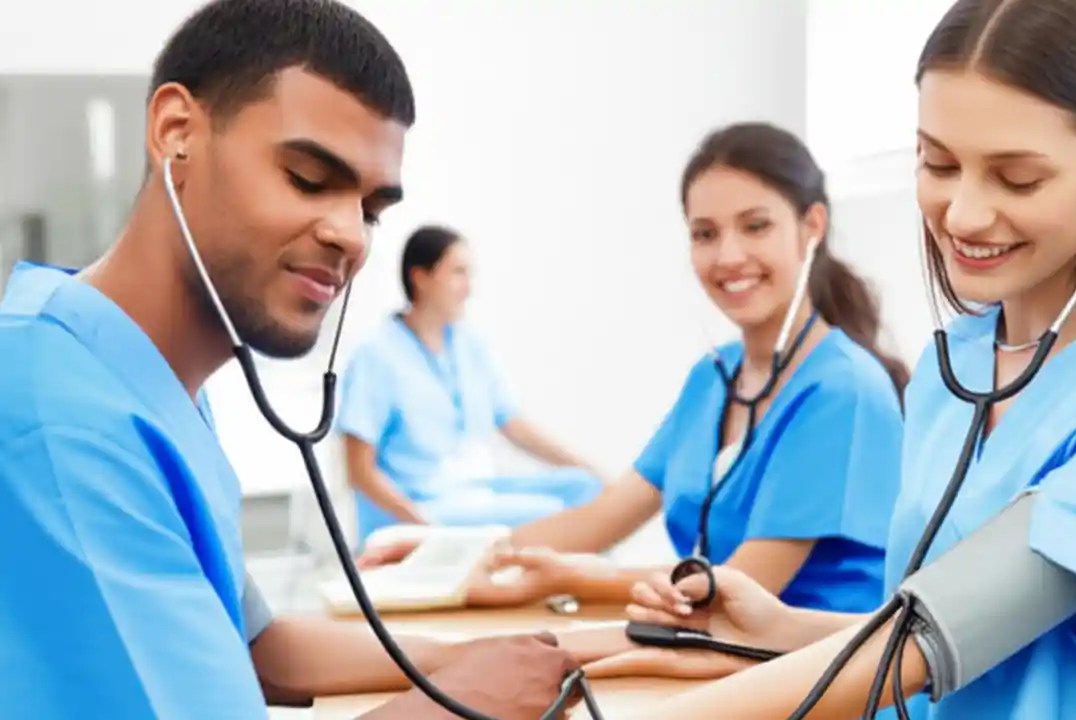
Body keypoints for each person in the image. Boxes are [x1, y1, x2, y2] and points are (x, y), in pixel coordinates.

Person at [604, 0, 1076, 717]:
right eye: (938, 163)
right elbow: (981, 654)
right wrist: (778, 629)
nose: (962, 214)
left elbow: (935, 640)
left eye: (1017, 177)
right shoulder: (951, 369)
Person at [0, 1, 584, 718]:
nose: (350, 237)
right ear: (176, 133)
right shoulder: (55, 416)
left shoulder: (142, 379)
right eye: (308, 178)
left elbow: (255, 648)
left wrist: (504, 652)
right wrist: (461, 703)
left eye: (370, 209)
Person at [363, 122, 910, 619]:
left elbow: (742, 590)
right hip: (718, 654)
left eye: (756, 226)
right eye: (705, 233)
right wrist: (450, 551)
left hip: (820, 688)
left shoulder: (844, 390)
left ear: (812, 227)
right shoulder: (712, 379)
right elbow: (600, 517)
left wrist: (580, 577)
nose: (728, 256)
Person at [338, 224, 603, 542]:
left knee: (586, 490)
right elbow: (359, 472)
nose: (468, 288)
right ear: (420, 277)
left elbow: (514, 425)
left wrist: (593, 471)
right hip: (421, 507)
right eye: (458, 273)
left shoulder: (468, 345)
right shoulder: (376, 355)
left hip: (476, 491)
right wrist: (424, 528)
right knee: (551, 513)